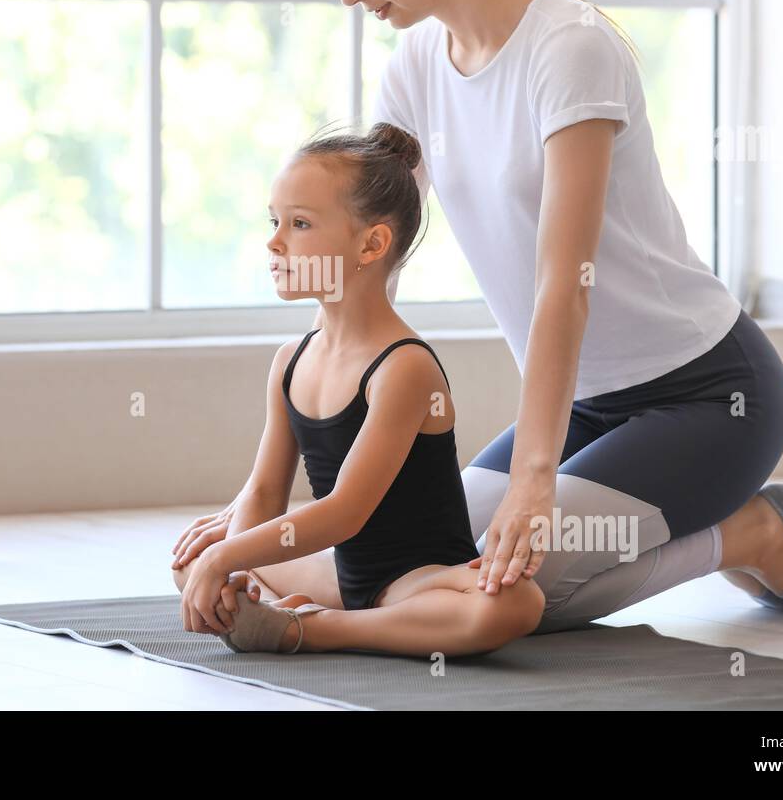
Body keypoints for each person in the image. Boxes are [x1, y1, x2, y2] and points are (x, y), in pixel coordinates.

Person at [173, 0, 783, 638]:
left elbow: (560, 281)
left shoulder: (569, 49)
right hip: (582, 404)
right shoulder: (416, 66)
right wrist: (260, 498)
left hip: (705, 396)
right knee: (420, 559)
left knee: (525, 587)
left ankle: (751, 534)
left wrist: (535, 478)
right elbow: (372, 252)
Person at [173, 122, 545, 656]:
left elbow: (347, 510)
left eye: (299, 224)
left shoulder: (404, 367)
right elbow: (262, 496)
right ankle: (289, 611)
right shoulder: (289, 364)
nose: (274, 241)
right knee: (191, 558)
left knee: (516, 604)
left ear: (371, 244)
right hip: (337, 571)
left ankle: (308, 628)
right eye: (274, 221)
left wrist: (227, 563)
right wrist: (225, 560)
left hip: (415, 582)